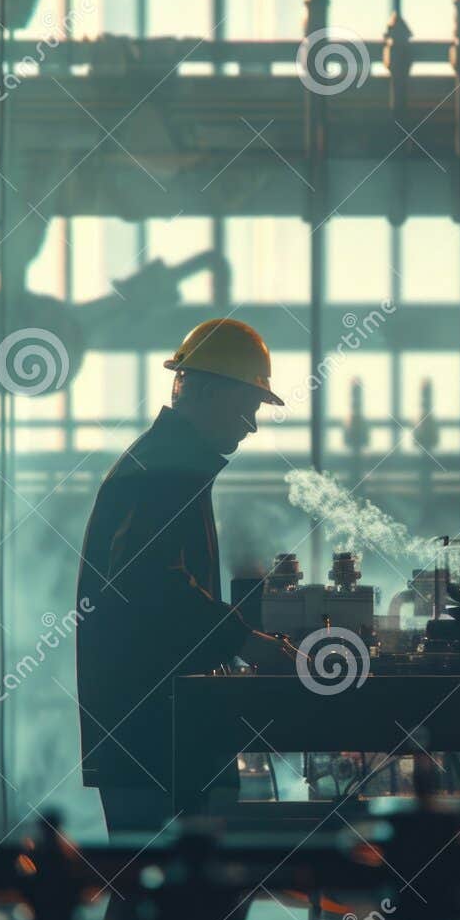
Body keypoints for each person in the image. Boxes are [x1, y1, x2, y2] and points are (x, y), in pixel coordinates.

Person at [76, 319, 295, 835]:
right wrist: (247, 641)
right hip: (154, 732)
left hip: (157, 728)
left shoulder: (165, 463)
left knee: (161, 896)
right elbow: (150, 580)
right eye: (248, 407)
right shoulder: (163, 470)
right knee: (177, 890)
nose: (251, 426)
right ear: (210, 393)